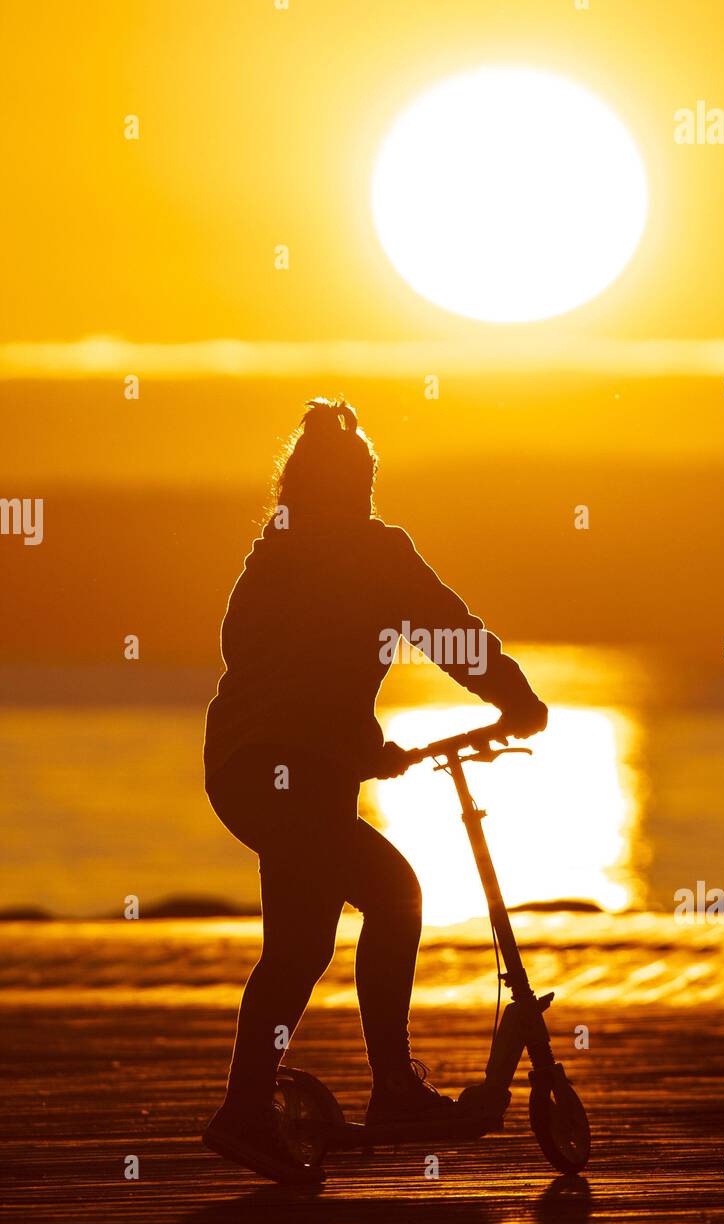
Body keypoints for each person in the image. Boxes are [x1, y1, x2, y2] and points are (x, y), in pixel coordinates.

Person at [202, 397, 547, 1182]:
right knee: (395, 896)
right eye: (359, 484)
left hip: (246, 771)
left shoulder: (270, 558)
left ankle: (244, 1114)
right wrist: (518, 701)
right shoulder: (373, 551)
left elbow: (267, 664)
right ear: (356, 487)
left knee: (296, 949)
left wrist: (362, 750)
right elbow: (449, 630)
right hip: (297, 774)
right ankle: (391, 1088)